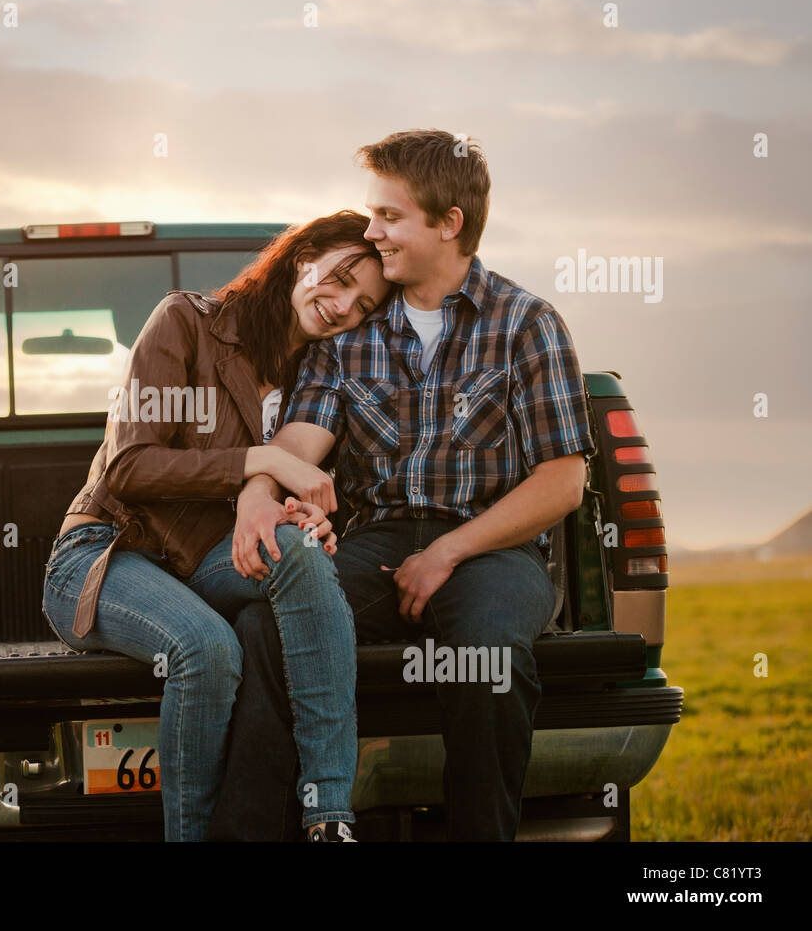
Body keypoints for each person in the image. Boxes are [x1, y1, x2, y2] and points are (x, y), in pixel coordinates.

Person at [220, 130, 596, 841]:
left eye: (389, 217)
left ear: (448, 223)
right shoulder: (350, 334)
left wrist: (448, 553)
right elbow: (298, 445)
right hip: (377, 540)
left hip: (494, 549)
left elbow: (562, 482)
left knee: (488, 658)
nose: (371, 232)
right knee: (266, 627)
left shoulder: (526, 324)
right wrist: (258, 492)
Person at [41, 211, 391, 841]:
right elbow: (128, 466)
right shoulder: (185, 322)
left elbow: (284, 497)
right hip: (106, 554)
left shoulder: (314, 376)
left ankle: (329, 817)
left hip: (203, 561)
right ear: (300, 255)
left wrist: (302, 511)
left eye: (363, 304)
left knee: (304, 554)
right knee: (206, 649)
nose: (343, 306)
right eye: (338, 278)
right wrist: (260, 459)